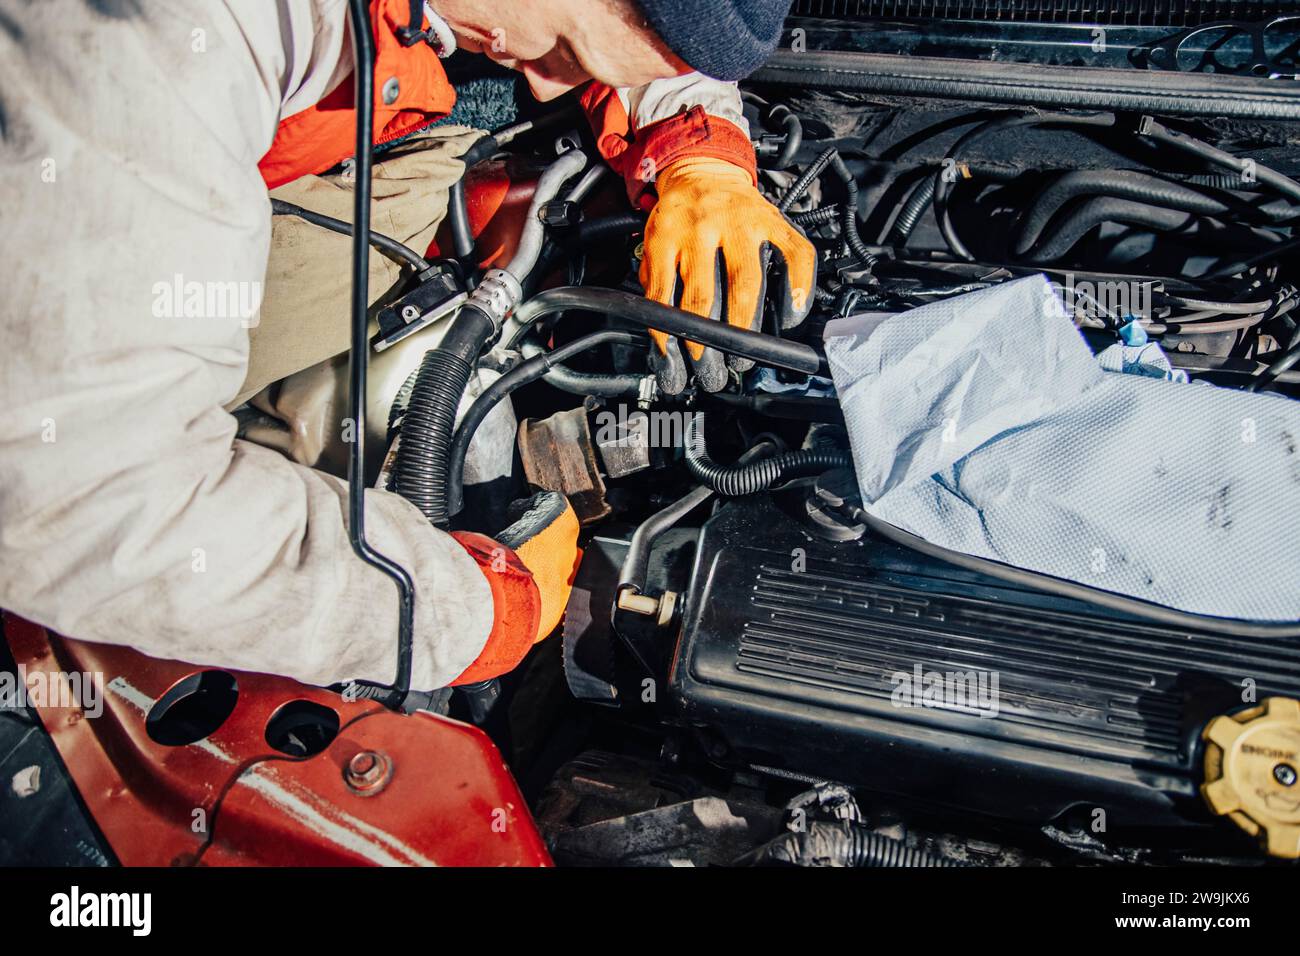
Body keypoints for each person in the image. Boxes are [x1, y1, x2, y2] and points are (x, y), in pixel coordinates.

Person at [0, 0, 813, 694]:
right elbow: (84, 502)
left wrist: (705, 162)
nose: (544, 82)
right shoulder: (168, 32)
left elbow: (637, 41)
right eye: (564, 49)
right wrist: (462, 613)